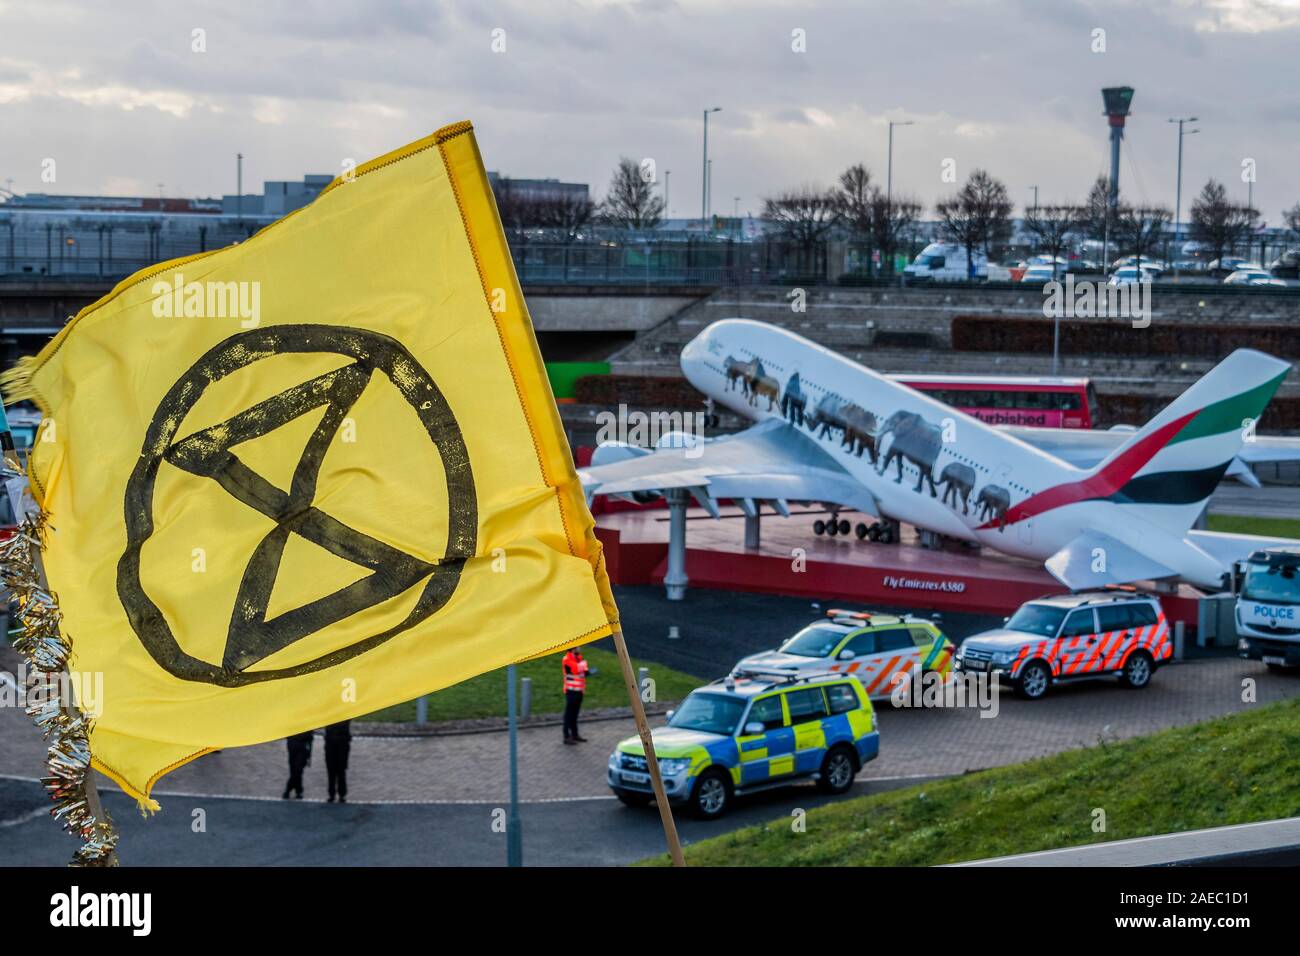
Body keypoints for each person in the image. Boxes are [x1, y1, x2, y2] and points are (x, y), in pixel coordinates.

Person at [561, 647, 590, 744]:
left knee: (575, 715)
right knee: (568, 714)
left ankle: (575, 735)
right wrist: (582, 665)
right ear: (573, 648)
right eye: (578, 647)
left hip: (579, 691)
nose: (580, 648)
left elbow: (585, 672)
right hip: (571, 691)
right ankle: (566, 736)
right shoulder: (566, 659)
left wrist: (583, 668)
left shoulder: (579, 658)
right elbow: (576, 669)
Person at [324, 720, 352, 803]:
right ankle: (338, 794)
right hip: (337, 744)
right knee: (337, 772)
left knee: (337, 772)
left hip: (338, 744)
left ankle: (336, 794)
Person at [283, 730, 313, 799]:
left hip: (302, 749)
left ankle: (288, 790)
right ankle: (298, 791)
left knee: (298, 770)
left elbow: (310, 740)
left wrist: (309, 755)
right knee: (294, 770)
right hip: (293, 747)